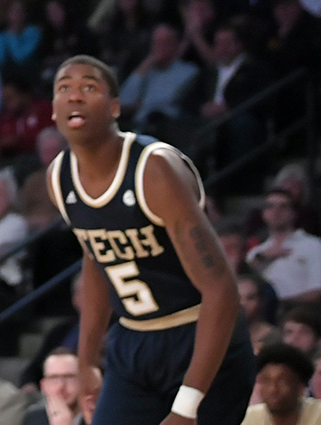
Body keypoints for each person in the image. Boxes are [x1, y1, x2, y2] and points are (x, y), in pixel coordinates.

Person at [49, 55, 256, 425]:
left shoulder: (153, 169)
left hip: (199, 334)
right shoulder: (59, 177)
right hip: (132, 340)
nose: (75, 96)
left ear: (115, 107)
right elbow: (98, 261)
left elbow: (222, 289)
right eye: (64, 88)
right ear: (53, 110)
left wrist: (187, 406)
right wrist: (86, 362)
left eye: (89, 87)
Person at [248, 192, 321, 305]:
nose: (276, 211)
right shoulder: (256, 253)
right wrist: (264, 257)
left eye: (283, 206)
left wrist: (281, 304)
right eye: (270, 206)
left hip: (303, 310)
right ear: (264, 214)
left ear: (293, 213)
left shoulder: (313, 245)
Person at [244, 344, 321, 425]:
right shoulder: (248, 418)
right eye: (267, 381)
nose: (273, 389)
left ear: (301, 387)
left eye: (282, 382)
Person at [24, 351, 87, 425]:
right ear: (43, 386)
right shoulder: (33, 419)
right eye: (54, 378)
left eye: (69, 377)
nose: (61, 386)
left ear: (83, 382)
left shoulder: (96, 418)